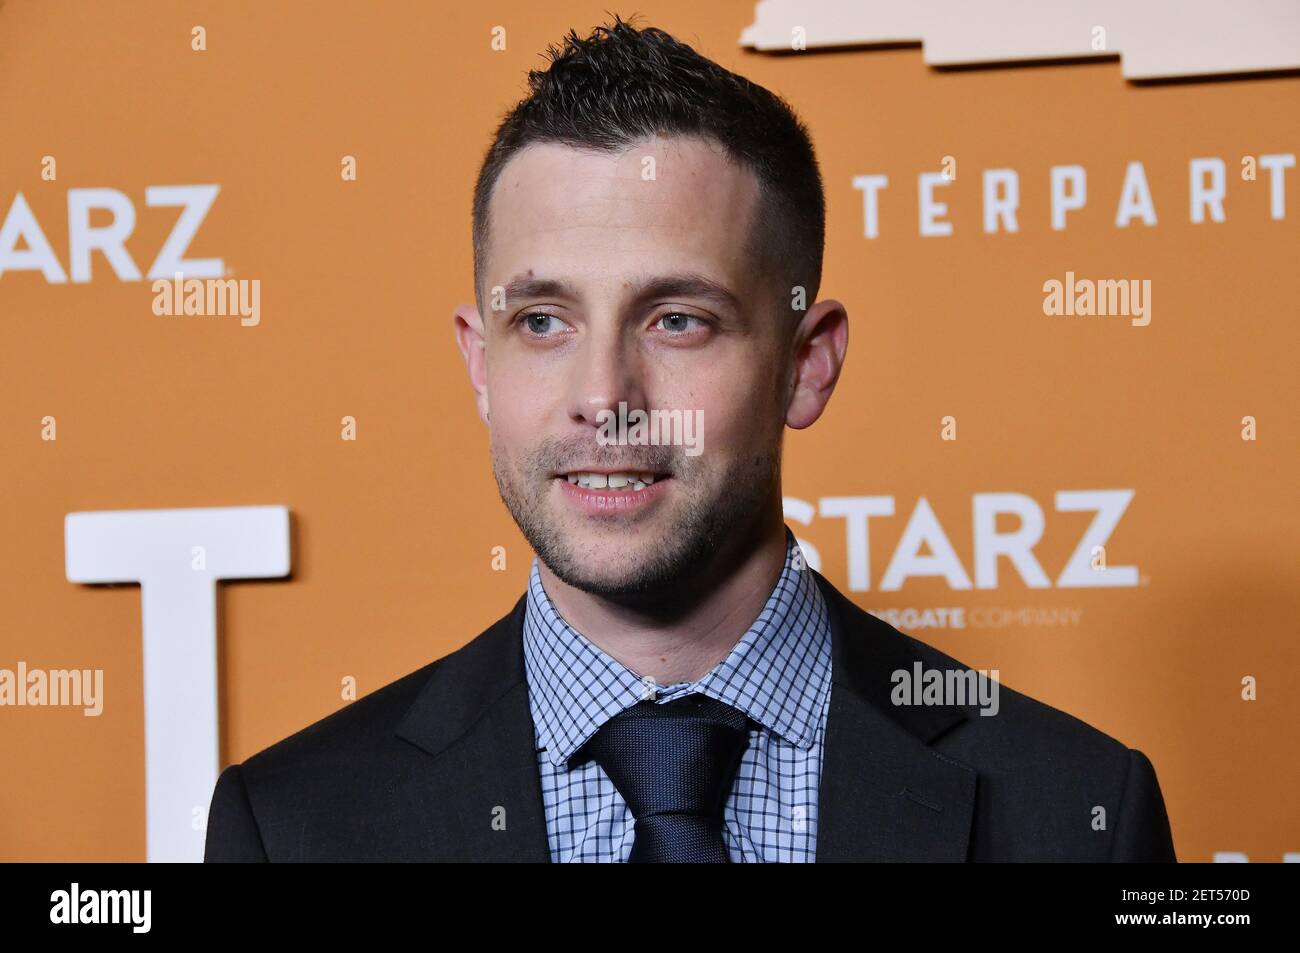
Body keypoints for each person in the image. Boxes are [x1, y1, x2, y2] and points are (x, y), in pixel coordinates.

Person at [205, 15, 1176, 862]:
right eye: (543, 320)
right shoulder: (297, 826)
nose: (604, 396)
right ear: (478, 362)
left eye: (677, 319)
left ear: (807, 362)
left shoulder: (1076, 814)